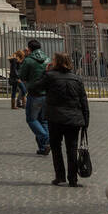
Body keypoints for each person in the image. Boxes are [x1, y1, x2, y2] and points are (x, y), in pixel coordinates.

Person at [34, 52, 90, 186]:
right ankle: (73, 179)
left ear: (56, 62)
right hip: (74, 119)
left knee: (56, 148)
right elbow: (84, 101)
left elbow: (35, 87)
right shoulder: (77, 79)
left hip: (56, 118)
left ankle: (60, 176)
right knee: (72, 148)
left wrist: (45, 73)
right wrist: (85, 121)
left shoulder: (50, 76)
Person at [18, 39, 51, 155]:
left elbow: (22, 76)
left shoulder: (28, 60)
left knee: (31, 119)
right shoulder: (48, 59)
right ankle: (43, 148)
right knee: (44, 121)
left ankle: (46, 139)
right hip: (46, 94)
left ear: (30, 48)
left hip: (34, 93)